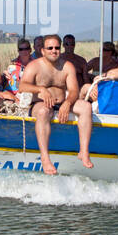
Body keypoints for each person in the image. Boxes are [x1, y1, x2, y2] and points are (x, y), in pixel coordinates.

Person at [19, 34, 94, 173]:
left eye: (57, 48)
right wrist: (41, 89)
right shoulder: (34, 65)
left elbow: (73, 90)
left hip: (61, 101)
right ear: (42, 50)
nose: (54, 51)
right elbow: (22, 86)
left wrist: (67, 103)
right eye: (50, 48)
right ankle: (45, 158)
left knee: (86, 107)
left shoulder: (67, 66)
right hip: (40, 104)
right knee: (44, 112)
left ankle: (83, 151)